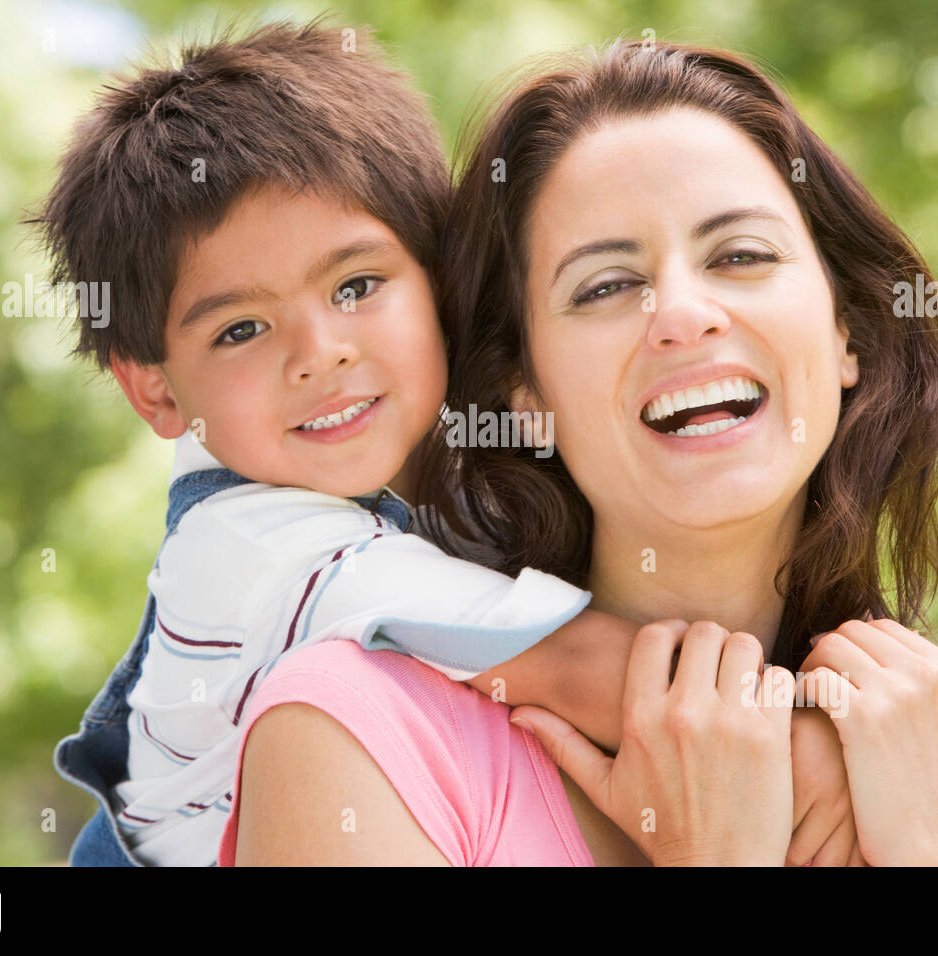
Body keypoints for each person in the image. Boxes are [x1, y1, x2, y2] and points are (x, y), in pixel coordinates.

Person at [221, 39, 938, 866]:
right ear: (526, 395)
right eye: (605, 285)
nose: (682, 313)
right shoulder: (355, 733)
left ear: (845, 334)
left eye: (740, 256)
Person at [34, 19, 673, 867]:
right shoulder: (253, 550)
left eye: (358, 284)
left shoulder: (470, 442)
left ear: (440, 274)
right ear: (154, 386)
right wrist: (829, 735)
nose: (319, 354)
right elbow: (599, 676)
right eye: (241, 330)